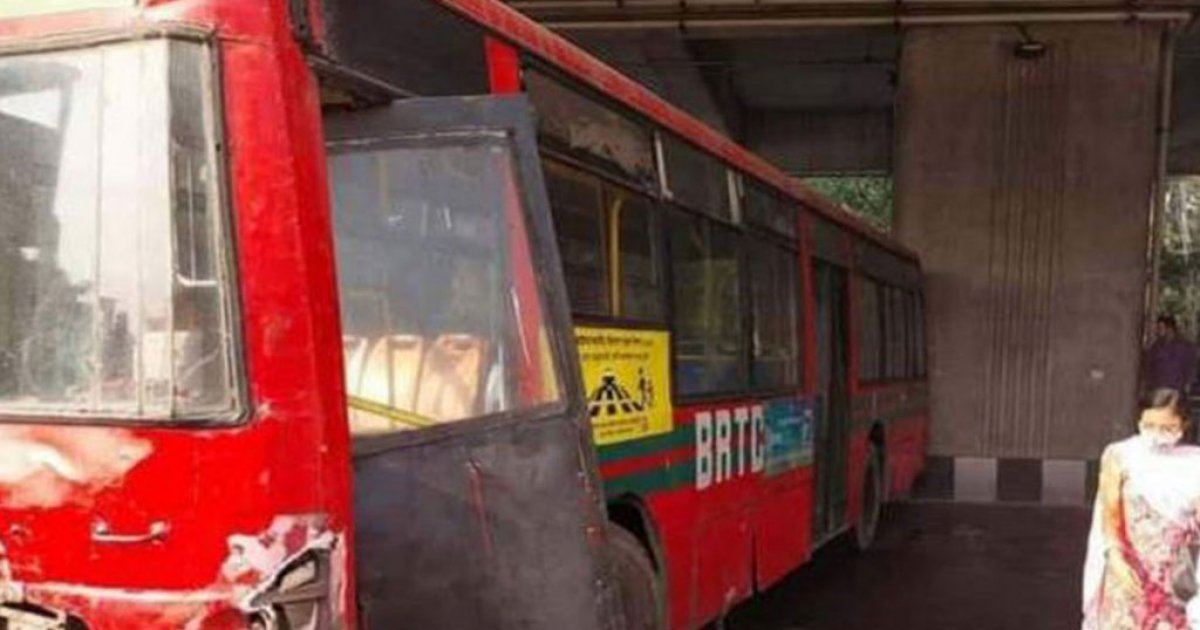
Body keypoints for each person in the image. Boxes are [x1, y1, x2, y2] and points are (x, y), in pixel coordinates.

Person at [1082, 388, 1200, 629]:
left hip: (1175, 574)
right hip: (1127, 569)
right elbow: (1110, 509)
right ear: (1139, 420)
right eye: (1149, 425)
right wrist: (1114, 557)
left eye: (1167, 428)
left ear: (1184, 424)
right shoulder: (1121, 455)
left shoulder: (1194, 463)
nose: (1156, 434)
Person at [1143, 315, 1197, 394]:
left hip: (1175, 389)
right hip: (1158, 388)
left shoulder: (1184, 346)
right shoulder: (1156, 347)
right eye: (1157, 328)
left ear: (1169, 329)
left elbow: (1190, 365)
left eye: (1161, 328)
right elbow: (1149, 365)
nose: (1157, 331)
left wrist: (1188, 383)